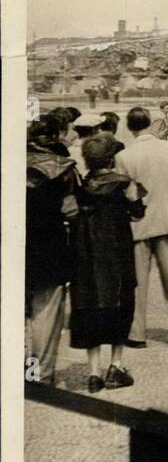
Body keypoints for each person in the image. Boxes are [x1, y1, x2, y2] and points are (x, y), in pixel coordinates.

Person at [116, 107, 168, 349]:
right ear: (151, 124)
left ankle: (135, 334)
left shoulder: (124, 156)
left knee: (137, 283)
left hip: (137, 226)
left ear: (130, 127)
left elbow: (127, 194)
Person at [70, 135, 144, 393]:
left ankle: (93, 372)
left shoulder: (79, 186)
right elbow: (137, 213)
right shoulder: (123, 184)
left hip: (87, 255)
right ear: (111, 158)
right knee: (121, 303)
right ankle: (116, 366)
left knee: (90, 305)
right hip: (117, 251)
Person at [25, 115, 78, 385]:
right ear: (57, 135)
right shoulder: (63, 168)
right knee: (45, 314)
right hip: (49, 246)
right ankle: (38, 374)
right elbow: (71, 209)